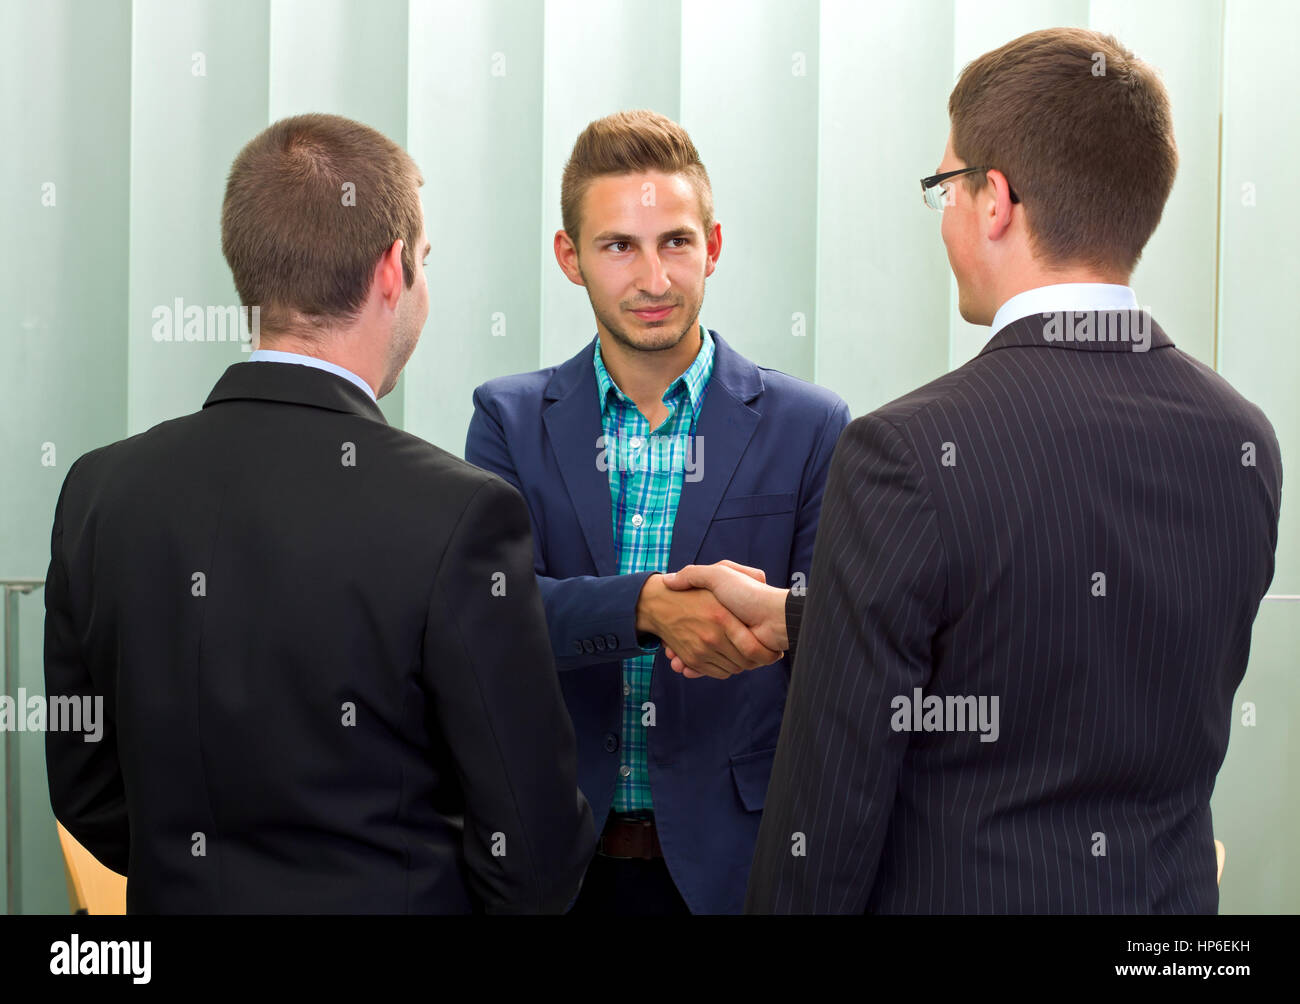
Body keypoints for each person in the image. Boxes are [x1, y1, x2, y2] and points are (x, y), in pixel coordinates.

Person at [684, 28, 1281, 914]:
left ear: (994, 200)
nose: (949, 216)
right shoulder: (1244, 441)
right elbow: (1066, 638)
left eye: (946, 188)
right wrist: (813, 618)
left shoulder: (904, 453)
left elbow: (827, 825)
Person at [44, 112, 594, 913]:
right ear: (390, 269)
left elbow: (88, 797)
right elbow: (534, 851)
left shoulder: (100, 492)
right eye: (425, 263)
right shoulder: (462, 516)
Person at [465, 109, 850, 914]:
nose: (653, 279)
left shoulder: (811, 425)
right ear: (571, 258)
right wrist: (643, 608)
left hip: (736, 868)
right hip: (558, 867)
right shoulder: (508, 418)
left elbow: (838, 638)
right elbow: (489, 616)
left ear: (712, 246)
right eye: (619, 247)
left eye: (675, 242)